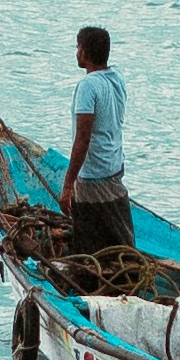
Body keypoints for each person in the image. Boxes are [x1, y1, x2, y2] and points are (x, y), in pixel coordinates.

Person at [61, 25, 130, 261]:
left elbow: (83, 138)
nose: (76, 52)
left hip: (93, 174)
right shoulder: (116, 77)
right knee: (119, 237)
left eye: (78, 47)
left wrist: (69, 184)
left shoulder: (88, 86)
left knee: (88, 245)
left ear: (86, 53)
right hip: (114, 165)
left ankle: (89, 279)